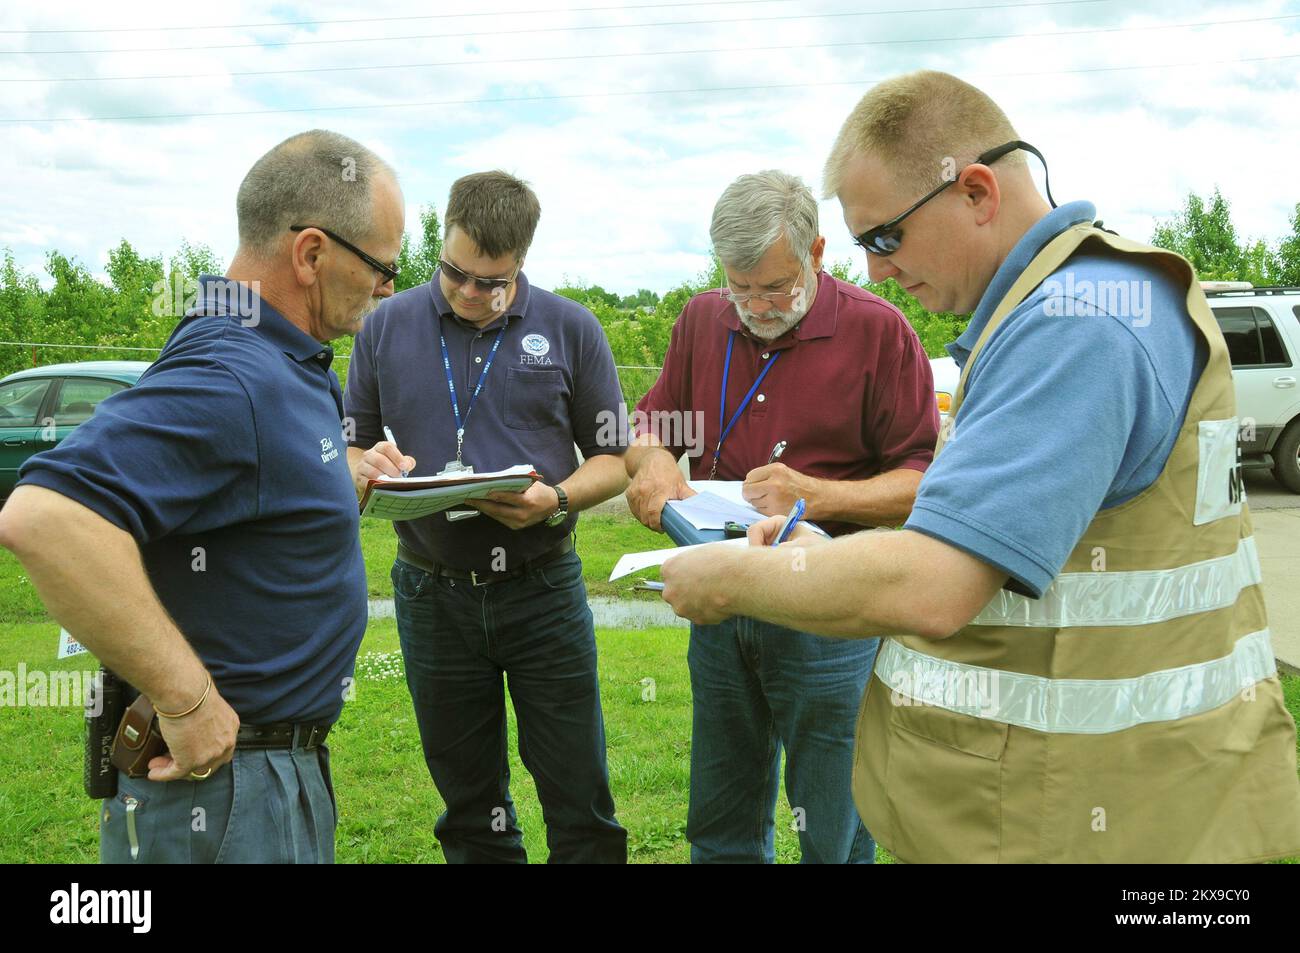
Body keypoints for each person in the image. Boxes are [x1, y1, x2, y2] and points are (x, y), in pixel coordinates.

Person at [660, 71, 1300, 863]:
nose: (877, 270)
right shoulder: (1061, 308)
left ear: (976, 192)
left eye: (884, 238)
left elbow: (934, 583)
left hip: (1105, 815)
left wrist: (727, 577)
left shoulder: (1078, 323)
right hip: (1095, 797)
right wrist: (826, 556)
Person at [0, 129, 404, 863]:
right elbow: (47, 516)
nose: (388, 288)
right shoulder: (235, 371)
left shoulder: (284, 356)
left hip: (262, 776)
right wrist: (186, 700)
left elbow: (246, 480)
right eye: (382, 266)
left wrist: (337, 471)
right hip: (225, 787)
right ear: (311, 253)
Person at [624, 170, 937, 863]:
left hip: (830, 614)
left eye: (774, 288)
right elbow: (649, 422)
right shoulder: (703, 319)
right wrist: (648, 462)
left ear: (818, 253)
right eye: (740, 287)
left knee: (833, 827)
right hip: (723, 598)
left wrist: (820, 496)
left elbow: (923, 481)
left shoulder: (880, 332)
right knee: (721, 819)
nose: (755, 307)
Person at [345, 170, 629, 863]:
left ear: (523, 261)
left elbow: (615, 458)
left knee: (579, 790)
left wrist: (555, 499)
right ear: (441, 243)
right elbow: (350, 440)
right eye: (456, 273)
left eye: (492, 281)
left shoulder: (571, 328)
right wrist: (361, 466)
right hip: (431, 592)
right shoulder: (383, 326)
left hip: (543, 589)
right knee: (471, 804)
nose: (471, 292)